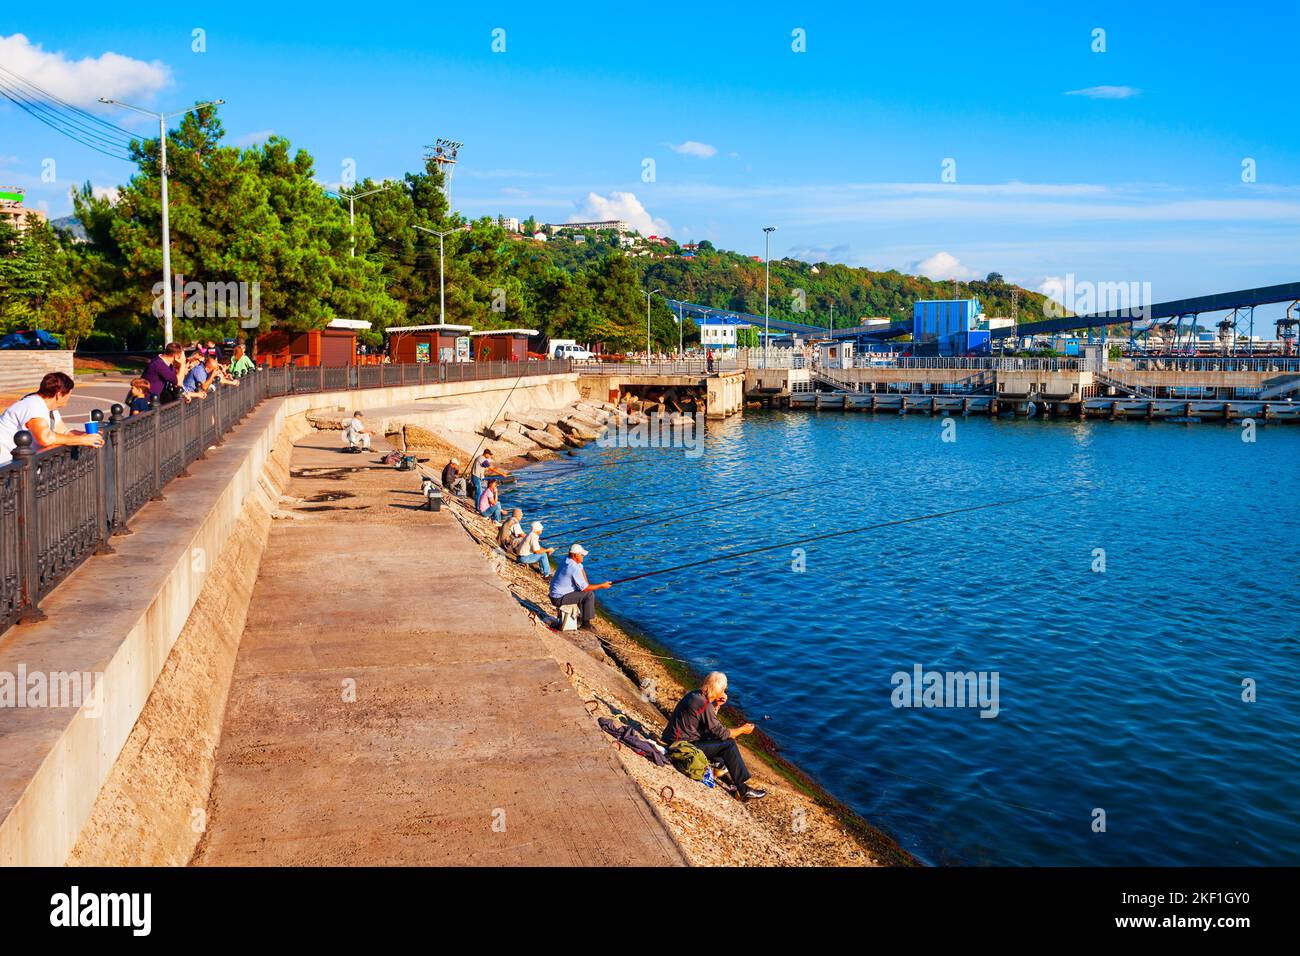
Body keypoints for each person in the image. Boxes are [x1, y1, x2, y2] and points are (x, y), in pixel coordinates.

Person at [663, 672, 766, 802]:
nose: (724, 692)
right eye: (723, 689)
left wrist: (717, 705)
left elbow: (709, 725)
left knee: (717, 741)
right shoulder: (703, 703)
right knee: (729, 744)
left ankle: (722, 770)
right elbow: (721, 732)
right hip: (681, 745)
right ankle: (743, 790)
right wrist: (742, 730)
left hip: (676, 740)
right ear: (717, 689)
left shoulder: (696, 695)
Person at [0, 372, 105, 465]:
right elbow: (45, 438)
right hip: (7, 467)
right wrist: (82, 440)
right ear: (59, 395)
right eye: (69, 394)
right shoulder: (34, 405)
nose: (69, 397)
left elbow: (64, 431)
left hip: (21, 465)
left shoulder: (49, 408)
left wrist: (87, 436)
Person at [548, 543, 611, 631]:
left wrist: (586, 584)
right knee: (589, 595)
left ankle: (580, 619)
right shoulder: (573, 567)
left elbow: (581, 568)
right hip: (558, 598)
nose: (583, 557)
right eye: (582, 555)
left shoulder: (567, 559)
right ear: (576, 555)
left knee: (583, 592)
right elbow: (585, 588)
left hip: (555, 594)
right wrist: (602, 585)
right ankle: (586, 624)